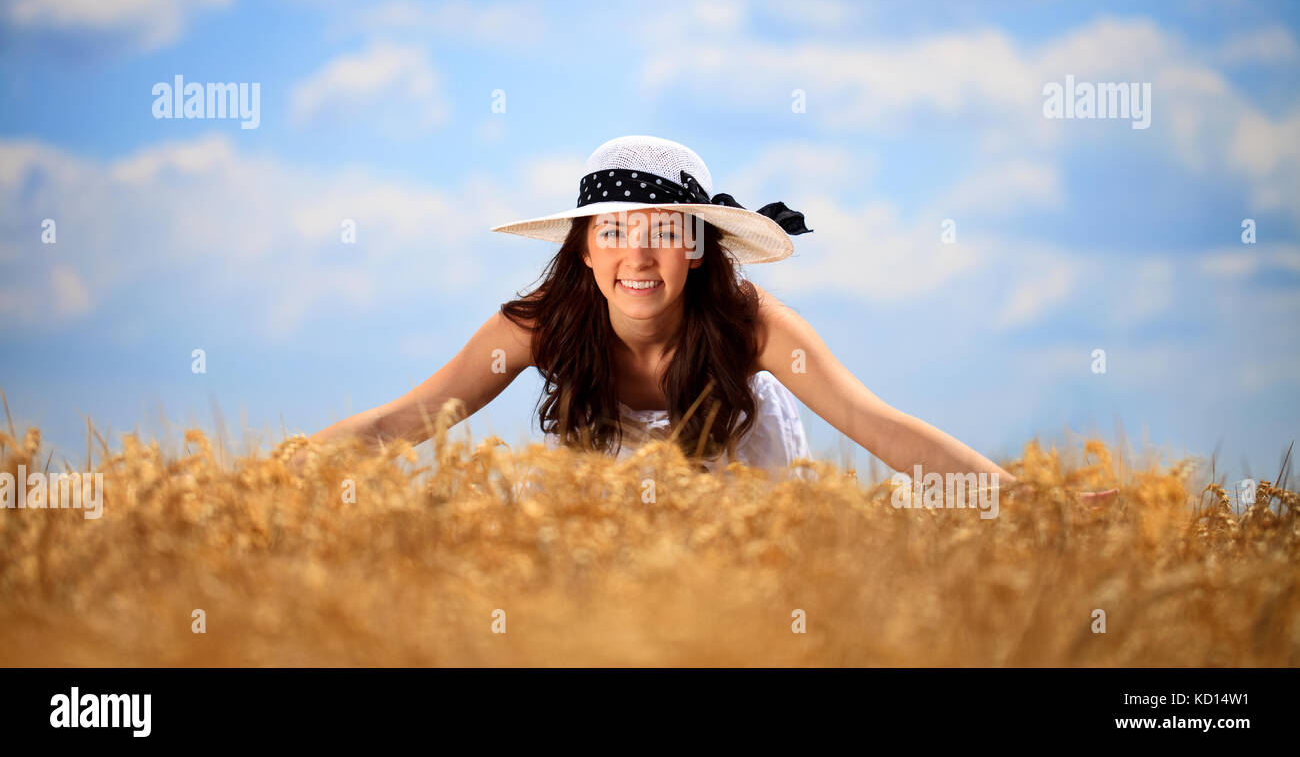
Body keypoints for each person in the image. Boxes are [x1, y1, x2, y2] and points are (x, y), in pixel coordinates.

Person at [301, 135, 1115, 500]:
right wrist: (280, 471)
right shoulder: (539, 326)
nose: (638, 256)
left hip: (747, 513)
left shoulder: (751, 327)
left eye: (663, 233)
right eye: (614, 232)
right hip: (599, 532)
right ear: (585, 251)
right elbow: (410, 416)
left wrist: (1027, 502)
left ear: (696, 248)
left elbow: (876, 424)